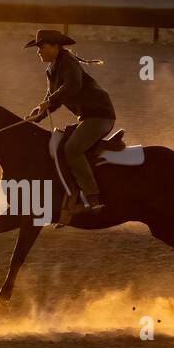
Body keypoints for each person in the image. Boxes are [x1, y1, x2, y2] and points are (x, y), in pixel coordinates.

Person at [25, 29, 115, 214]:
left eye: (42, 46)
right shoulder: (51, 70)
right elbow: (53, 99)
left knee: (72, 149)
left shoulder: (68, 61)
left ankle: (92, 198)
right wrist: (38, 115)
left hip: (100, 115)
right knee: (62, 147)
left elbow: (73, 86)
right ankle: (72, 197)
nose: (38, 51)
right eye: (38, 47)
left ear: (56, 46)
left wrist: (48, 102)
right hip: (88, 118)